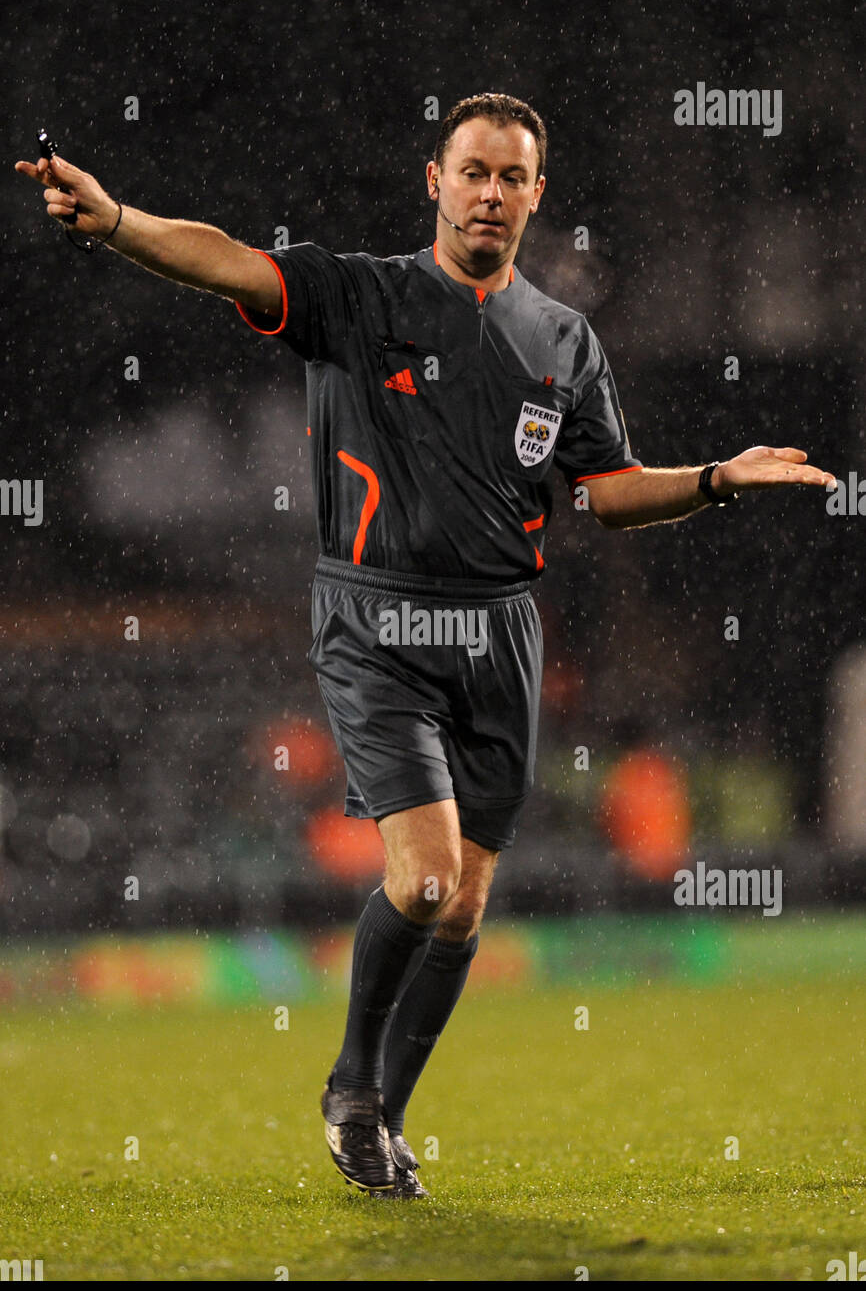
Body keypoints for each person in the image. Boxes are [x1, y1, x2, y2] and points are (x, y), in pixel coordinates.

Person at [16, 92, 836, 1200]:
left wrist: (715, 478)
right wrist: (116, 221)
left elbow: (608, 494)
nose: (490, 192)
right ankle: (351, 1091)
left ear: (536, 195)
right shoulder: (361, 295)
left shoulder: (563, 340)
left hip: (502, 631)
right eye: (473, 171)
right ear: (435, 181)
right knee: (426, 876)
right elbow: (225, 263)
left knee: (464, 904)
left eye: (511, 177)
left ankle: (387, 1117)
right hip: (379, 621)